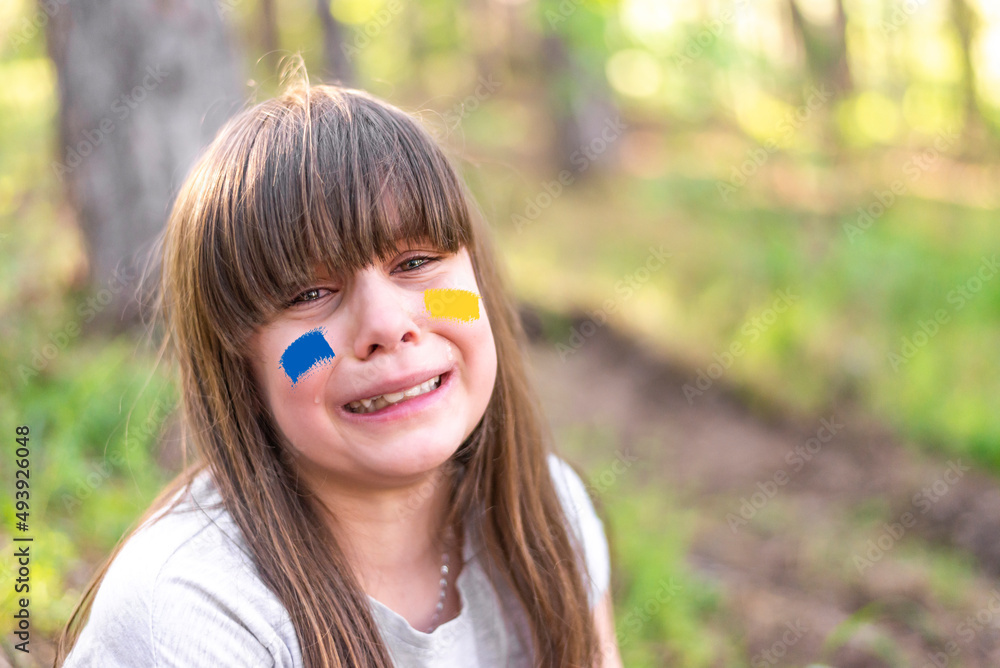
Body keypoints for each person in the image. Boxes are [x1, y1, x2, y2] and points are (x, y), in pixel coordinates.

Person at [55, 76, 623, 667]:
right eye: (308, 294)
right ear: (238, 363)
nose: (386, 323)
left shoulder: (551, 512)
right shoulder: (188, 613)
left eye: (418, 262)